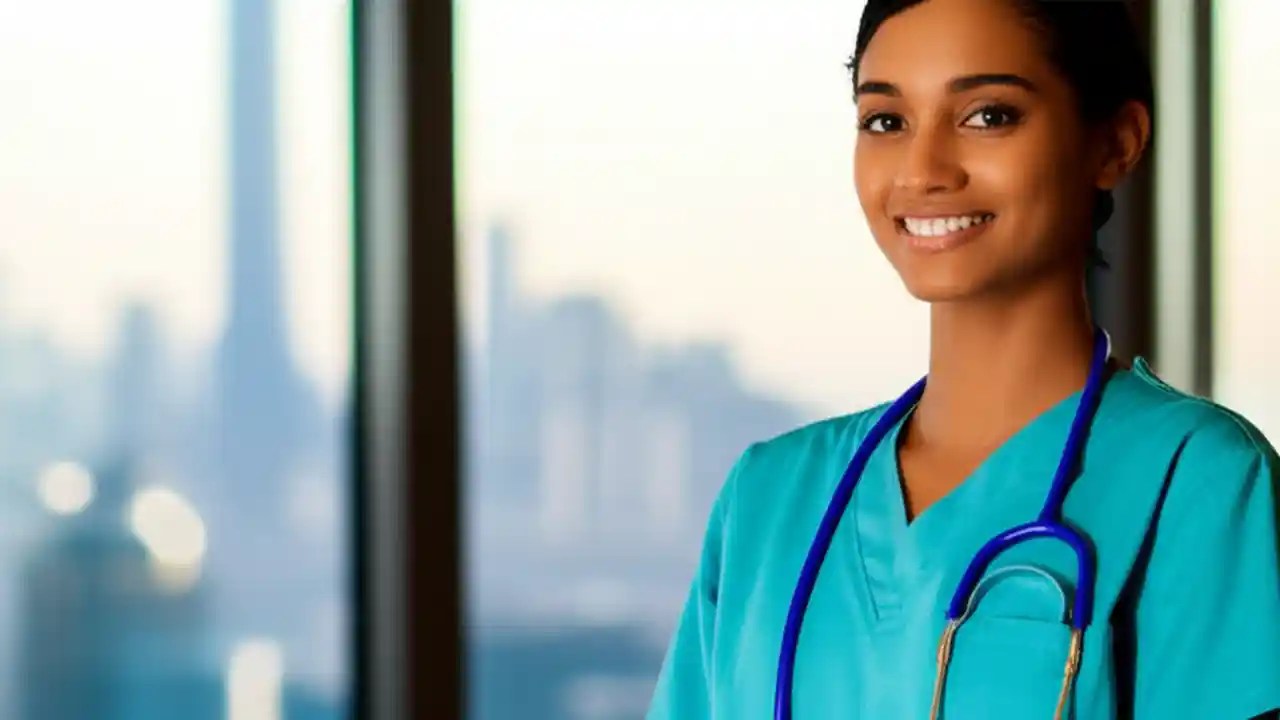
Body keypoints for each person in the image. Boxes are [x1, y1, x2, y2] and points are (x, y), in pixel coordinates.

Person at [646, 0, 1280, 717]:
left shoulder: (1197, 478)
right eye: (886, 121)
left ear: (1115, 144)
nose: (923, 170)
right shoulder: (767, 499)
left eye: (987, 115)